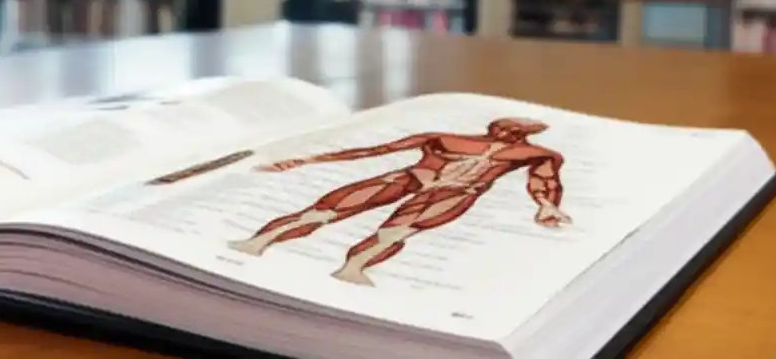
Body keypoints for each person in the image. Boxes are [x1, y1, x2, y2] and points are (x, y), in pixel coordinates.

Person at [228, 118, 570, 286]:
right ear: (493, 126)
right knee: (324, 211)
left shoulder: (537, 153)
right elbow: (375, 150)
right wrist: (303, 161)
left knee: (395, 233)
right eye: (506, 127)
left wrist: (547, 204)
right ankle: (257, 242)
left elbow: (544, 179)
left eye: (517, 131)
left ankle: (352, 269)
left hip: (456, 192)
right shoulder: (444, 137)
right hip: (409, 177)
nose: (508, 134)